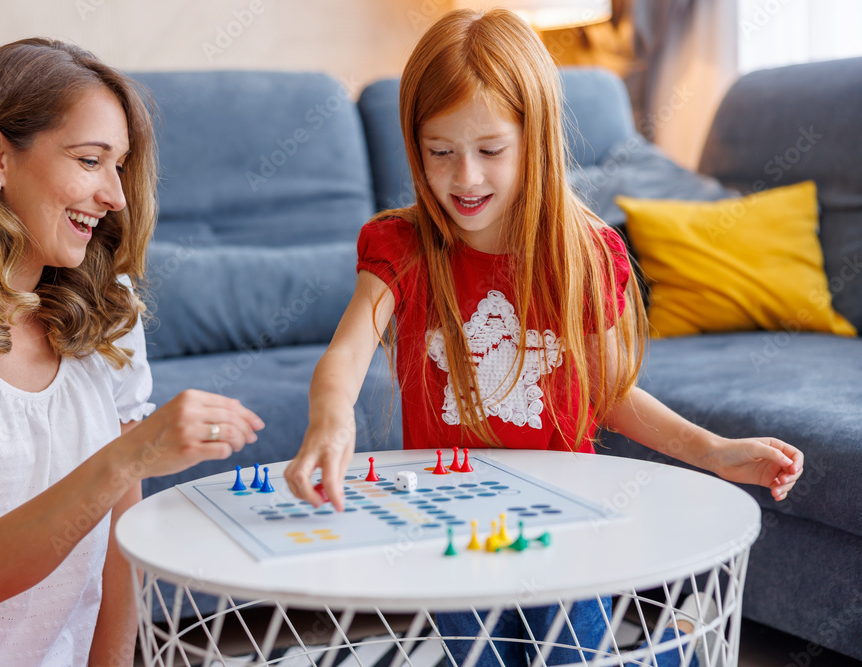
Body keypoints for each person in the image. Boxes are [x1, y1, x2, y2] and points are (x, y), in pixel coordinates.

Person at [283, 9, 803, 666]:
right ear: (414, 147)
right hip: (454, 532)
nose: (465, 178)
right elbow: (348, 351)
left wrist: (714, 450)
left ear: (536, 139)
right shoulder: (400, 245)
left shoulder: (586, 254)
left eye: (491, 150)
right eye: (440, 152)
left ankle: (675, 652)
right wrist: (329, 419)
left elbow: (611, 392)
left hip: (564, 528)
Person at [0, 39, 263, 666]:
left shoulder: (103, 306)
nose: (116, 196)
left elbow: (120, 543)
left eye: (120, 166)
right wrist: (131, 454)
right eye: (90, 160)